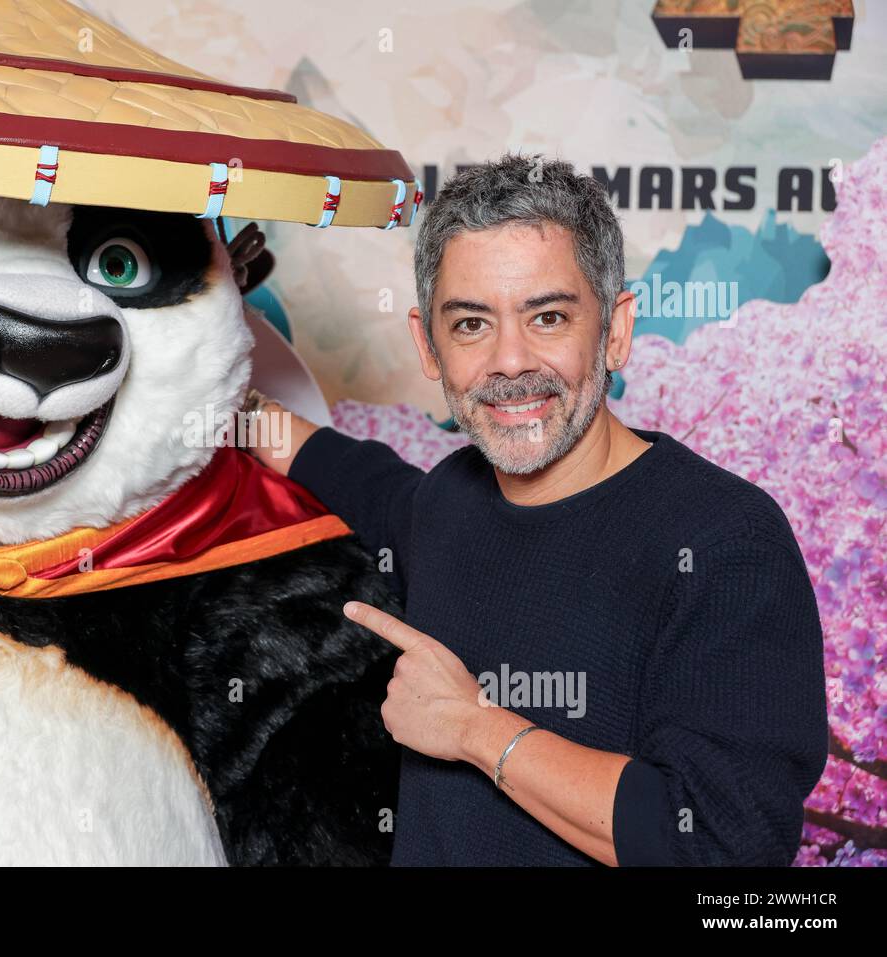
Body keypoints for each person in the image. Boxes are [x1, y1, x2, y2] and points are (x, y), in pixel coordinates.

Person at [239, 152, 829, 866]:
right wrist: (228, 404)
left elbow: (718, 839)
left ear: (614, 330)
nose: (510, 362)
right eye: (471, 325)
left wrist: (473, 727)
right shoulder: (449, 498)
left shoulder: (725, 540)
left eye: (547, 316)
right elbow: (365, 479)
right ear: (428, 345)